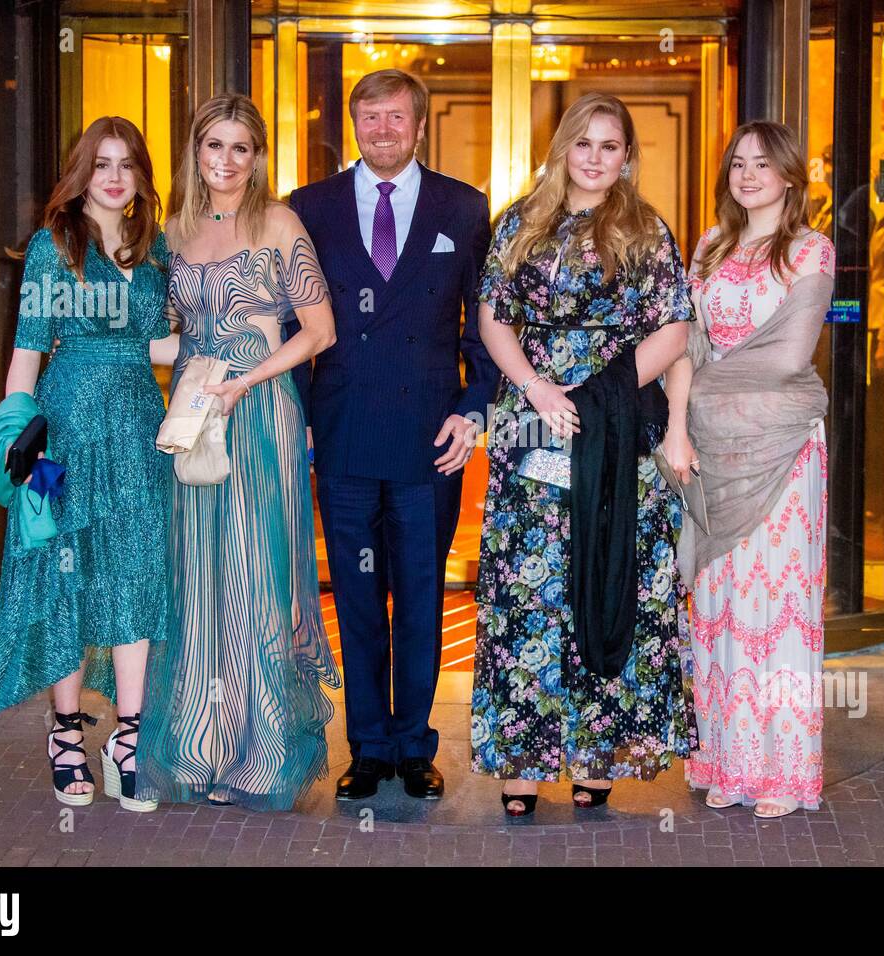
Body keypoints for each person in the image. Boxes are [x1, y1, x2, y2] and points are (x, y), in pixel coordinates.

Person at [470, 92, 695, 817]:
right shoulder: (520, 224)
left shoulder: (648, 231)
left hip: (618, 425)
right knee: (528, 593)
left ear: (627, 155)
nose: (597, 158)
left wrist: (596, 395)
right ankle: (524, 760)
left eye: (611, 146)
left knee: (611, 577)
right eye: (585, 143)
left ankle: (599, 752)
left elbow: (674, 330)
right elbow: (492, 316)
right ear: (563, 147)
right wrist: (537, 389)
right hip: (532, 425)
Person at [286, 69, 496, 801]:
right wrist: (298, 418)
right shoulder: (307, 209)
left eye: (395, 117)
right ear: (354, 125)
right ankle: (367, 748)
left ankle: (414, 745)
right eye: (369, 117)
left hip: (429, 438)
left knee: (420, 595)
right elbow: (291, 326)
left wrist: (474, 409)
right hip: (341, 434)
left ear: (419, 124)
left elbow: (488, 325)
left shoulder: (464, 208)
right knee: (356, 593)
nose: (382, 129)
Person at [137, 93, 340, 811]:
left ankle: (260, 755)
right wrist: (106, 349)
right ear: (195, 152)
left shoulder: (280, 224)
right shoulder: (173, 232)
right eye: (213, 146)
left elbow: (319, 332)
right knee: (197, 577)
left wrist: (243, 381)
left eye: (240, 149)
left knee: (259, 572)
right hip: (194, 416)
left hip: (260, 414)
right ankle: (203, 744)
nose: (225, 161)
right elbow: (167, 337)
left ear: (258, 159)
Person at [0, 116, 172, 812]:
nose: (115, 177)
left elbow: (155, 348)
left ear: (143, 176)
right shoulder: (52, 247)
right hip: (61, 438)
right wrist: (26, 450)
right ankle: (65, 735)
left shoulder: (155, 249)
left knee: (138, 571)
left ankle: (127, 740)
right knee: (63, 573)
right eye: (102, 164)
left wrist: (235, 347)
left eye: (127, 165)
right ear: (81, 173)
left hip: (140, 438)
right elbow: (27, 356)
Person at [661, 121, 834, 818]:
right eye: (738, 163)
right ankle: (726, 762)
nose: (749, 174)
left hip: (782, 452)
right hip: (704, 449)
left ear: (791, 175)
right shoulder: (709, 244)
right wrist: (676, 426)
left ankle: (783, 772)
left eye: (764, 163)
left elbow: (790, 355)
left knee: (778, 608)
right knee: (719, 605)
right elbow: (682, 343)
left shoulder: (809, 250)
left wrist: (703, 386)